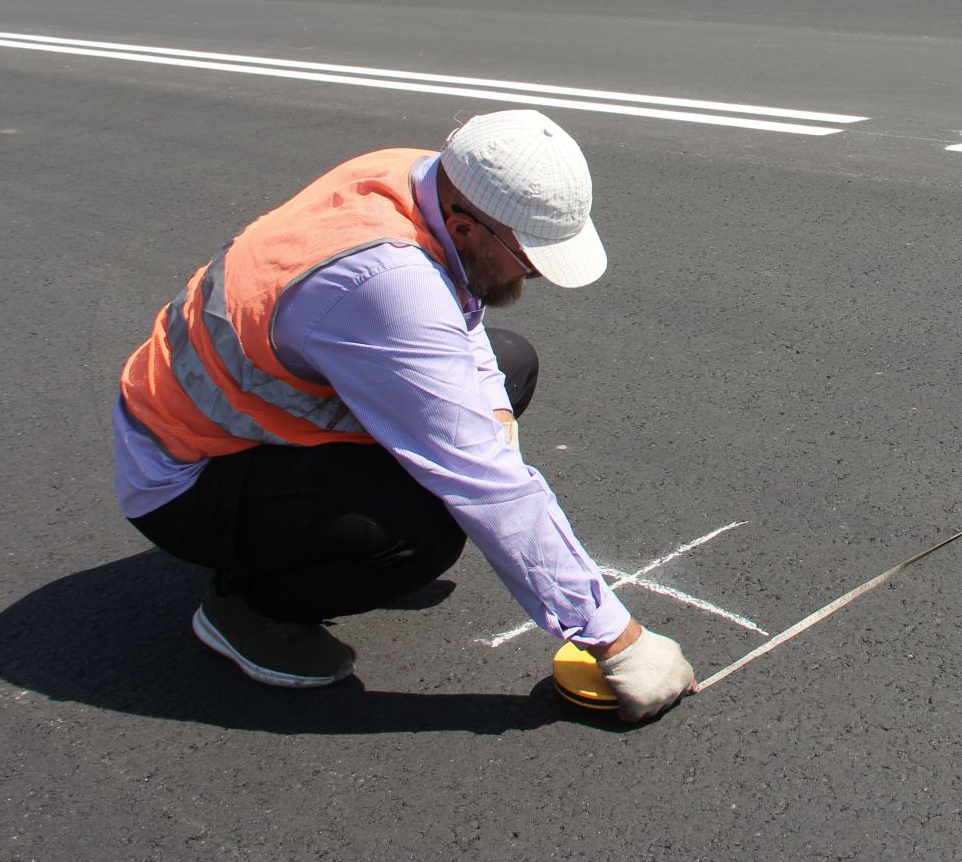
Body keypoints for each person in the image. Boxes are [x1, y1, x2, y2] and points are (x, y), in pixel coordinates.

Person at [113, 109, 695, 721]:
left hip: (251, 416)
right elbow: (487, 487)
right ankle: (250, 608)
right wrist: (617, 641)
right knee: (419, 529)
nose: (535, 275)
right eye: (528, 258)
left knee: (507, 367)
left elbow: (460, 309)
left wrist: (494, 412)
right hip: (187, 474)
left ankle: (312, 536)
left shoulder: (415, 176)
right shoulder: (385, 280)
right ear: (466, 226)